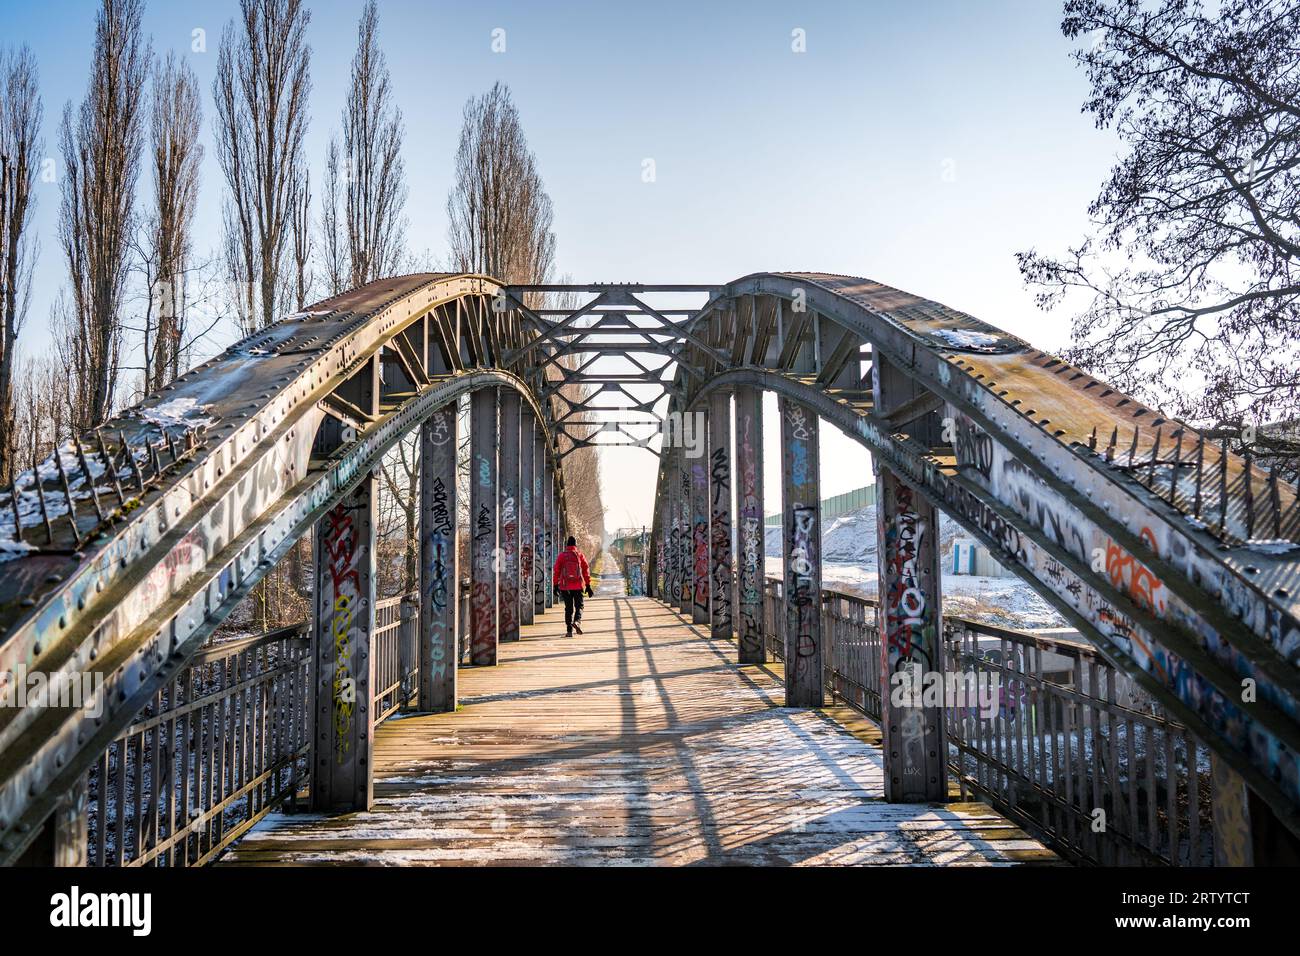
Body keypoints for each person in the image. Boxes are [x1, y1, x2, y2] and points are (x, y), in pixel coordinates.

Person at [552, 535, 593, 637]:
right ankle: (577, 621)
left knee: (568, 608)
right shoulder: (579, 555)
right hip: (578, 586)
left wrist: (555, 585)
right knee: (579, 606)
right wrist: (588, 585)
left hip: (565, 586)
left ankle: (569, 631)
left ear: (567, 545)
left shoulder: (562, 556)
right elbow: (585, 570)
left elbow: (556, 571)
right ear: (575, 545)